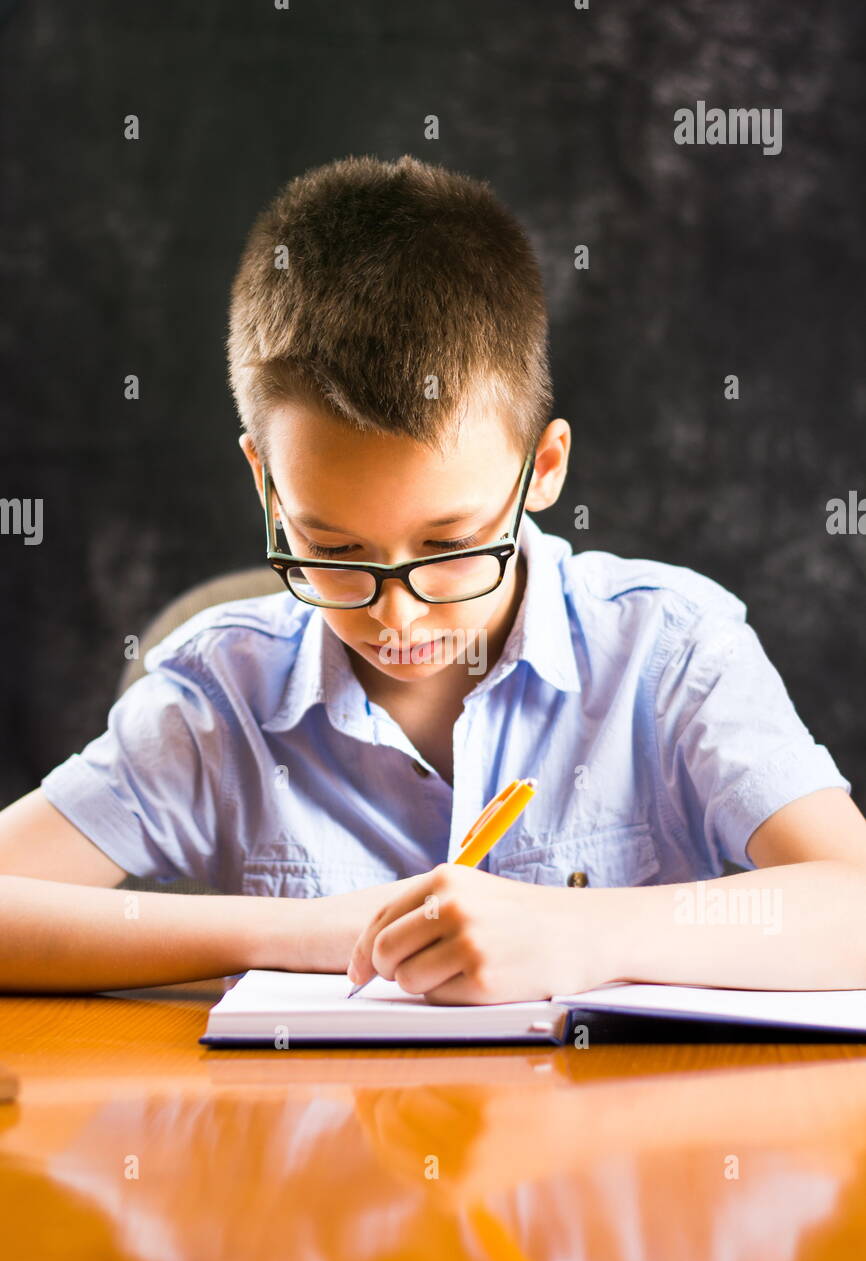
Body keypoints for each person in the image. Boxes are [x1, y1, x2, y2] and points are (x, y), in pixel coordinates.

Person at [2, 155, 864, 999]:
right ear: (266, 484)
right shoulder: (219, 699)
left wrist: (577, 935)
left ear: (544, 468)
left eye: (450, 547)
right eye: (335, 553)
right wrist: (316, 932)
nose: (401, 618)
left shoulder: (668, 651)